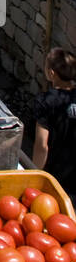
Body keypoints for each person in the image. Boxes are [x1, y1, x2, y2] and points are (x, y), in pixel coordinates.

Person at [32, 48, 76, 199]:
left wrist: (35, 174)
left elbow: (42, 145)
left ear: (51, 73)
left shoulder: (46, 101)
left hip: (56, 176)